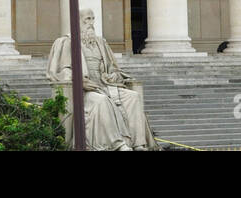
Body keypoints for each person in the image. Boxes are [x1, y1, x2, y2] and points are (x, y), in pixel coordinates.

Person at [45, 9, 157, 151]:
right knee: (101, 101)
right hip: (85, 91)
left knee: (133, 97)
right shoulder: (66, 42)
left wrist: (113, 76)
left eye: (93, 19)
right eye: (87, 19)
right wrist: (79, 80)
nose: (91, 23)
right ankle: (117, 144)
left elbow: (114, 69)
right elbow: (62, 71)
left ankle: (138, 144)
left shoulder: (101, 42)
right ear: (77, 21)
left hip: (106, 86)